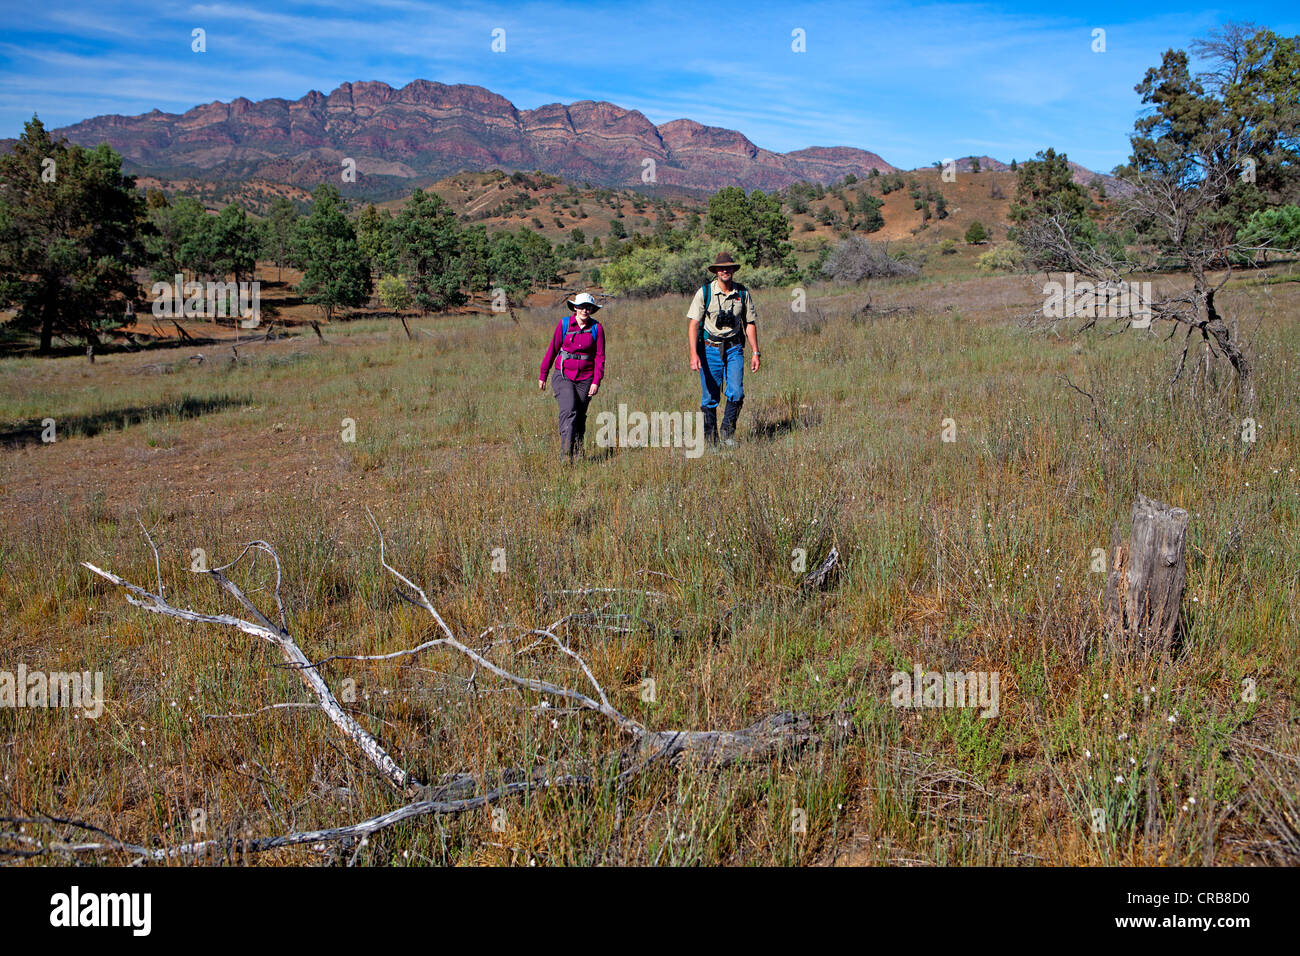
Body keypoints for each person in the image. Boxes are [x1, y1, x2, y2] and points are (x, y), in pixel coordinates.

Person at [687, 252, 761, 446]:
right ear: (716, 271)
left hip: (734, 348)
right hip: (709, 348)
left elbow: (750, 323)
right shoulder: (705, 292)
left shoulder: (742, 293)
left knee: (736, 392)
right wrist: (694, 354)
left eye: (728, 267)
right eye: (721, 268)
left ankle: (728, 434)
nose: (725, 270)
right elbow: (693, 325)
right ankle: (711, 441)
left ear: (733, 270)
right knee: (710, 396)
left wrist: (755, 352)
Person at [539, 292, 605, 460]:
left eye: (588, 307)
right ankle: (565, 454)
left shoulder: (597, 328)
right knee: (569, 410)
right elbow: (552, 350)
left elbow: (600, 357)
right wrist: (543, 374)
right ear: (575, 308)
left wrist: (596, 381)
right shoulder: (564, 324)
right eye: (581, 307)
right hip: (563, 375)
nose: (585, 310)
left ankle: (578, 452)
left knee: (580, 415)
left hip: (586, 378)